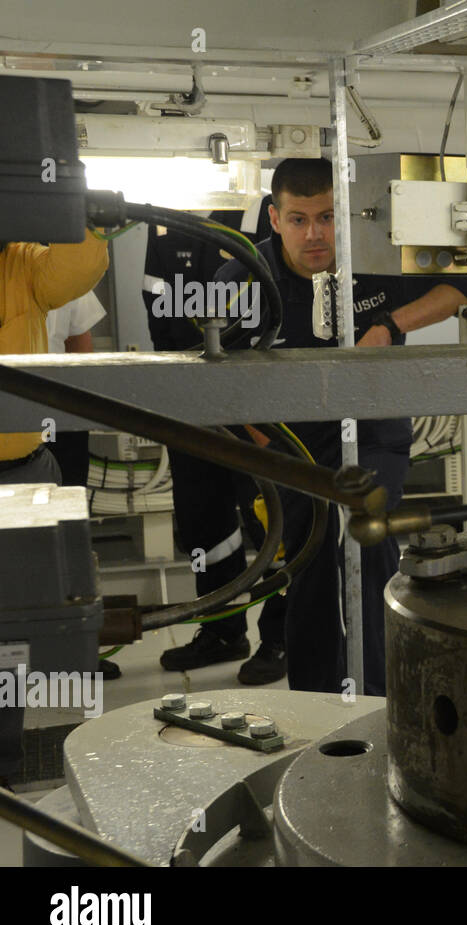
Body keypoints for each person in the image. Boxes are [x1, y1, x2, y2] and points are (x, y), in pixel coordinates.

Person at [215, 159, 467, 696]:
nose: (316, 235)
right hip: (292, 444)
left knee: (369, 537)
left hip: (375, 430)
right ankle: (315, 699)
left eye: (329, 217)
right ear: (273, 217)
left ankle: (380, 695)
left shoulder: (377, 259)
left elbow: (461, 288)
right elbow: (222, 384)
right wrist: (273, 458)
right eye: (299, 219)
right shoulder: (240, 278)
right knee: (309, 559)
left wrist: (389, 324)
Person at [143, 202, 290, 684]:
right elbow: (157, 306)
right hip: (191, 401)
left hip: (259, 408)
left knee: (272, 521)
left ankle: (280, 637)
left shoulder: (267, 211)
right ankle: (223, 630)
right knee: (202, 521)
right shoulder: (165, 213)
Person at [0, 229, 108, 787]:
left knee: (15, 629)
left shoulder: (25, 265)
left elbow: (82, 264)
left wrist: (58, 196)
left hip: (23, 476)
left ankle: (7, 753)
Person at [44, 289, 104, 487]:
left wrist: (77, 410)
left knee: (66, 489)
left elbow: (78, 342)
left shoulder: (63, 268)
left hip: (54, 403)